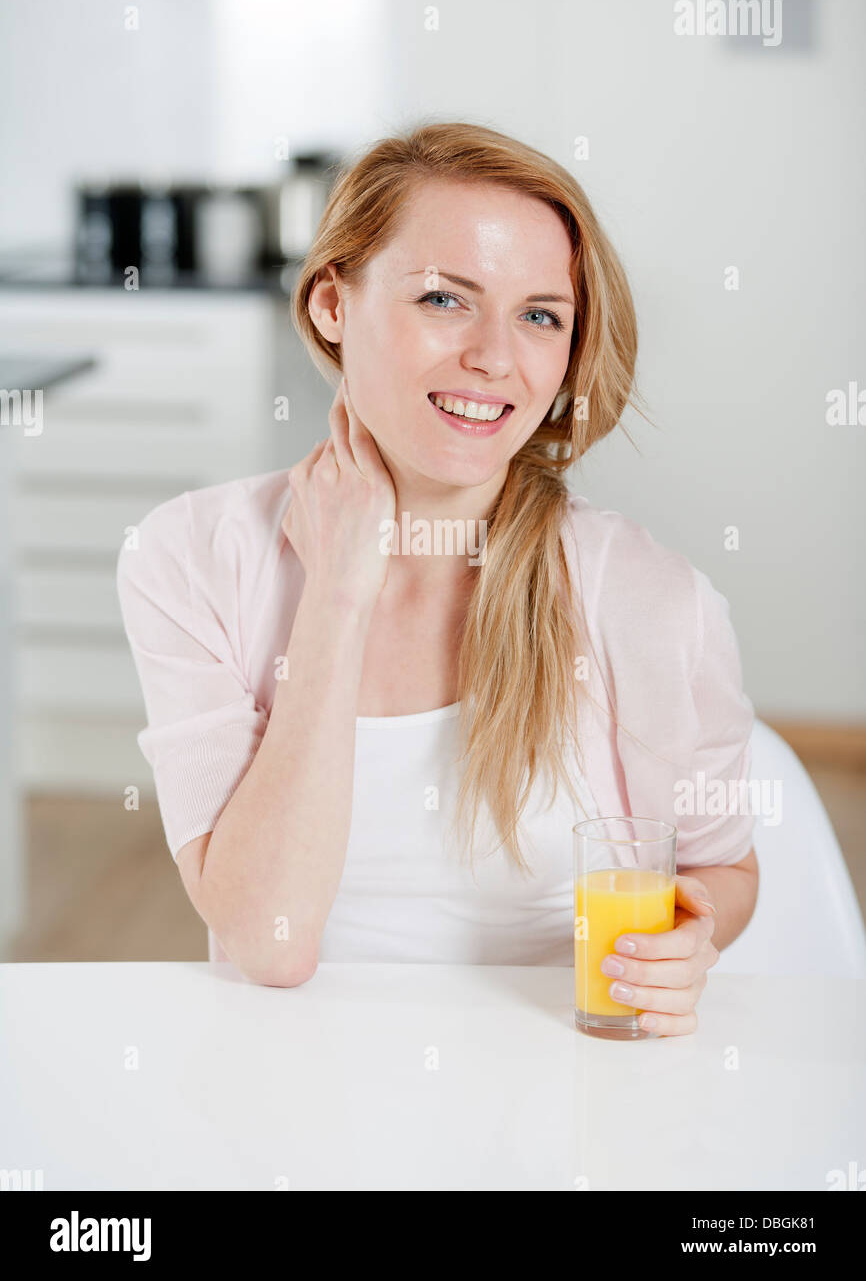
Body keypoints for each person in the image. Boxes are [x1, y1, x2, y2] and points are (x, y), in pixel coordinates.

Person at [117, 121, 759, 1036]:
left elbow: (724, 873)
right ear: (333, 305)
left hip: (562, 1097)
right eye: (445, 300)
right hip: (286, 1098)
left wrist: (690, 937)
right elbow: (271, 939)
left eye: (541, 315)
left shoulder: (651, 599)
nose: (496, 357)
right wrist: (339, 590)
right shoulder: (190, 557)